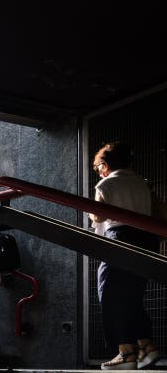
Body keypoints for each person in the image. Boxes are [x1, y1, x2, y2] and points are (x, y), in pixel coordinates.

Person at [88, 142, 160, 370]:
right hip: (148, 241)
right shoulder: (142, 184)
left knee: (109, 294)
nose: (98, 171)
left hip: (120, 238)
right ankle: (147, 347)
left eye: (98, 167)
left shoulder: (106, 183)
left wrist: (91, 211)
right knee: (132, 296)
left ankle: (126, 352)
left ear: (105, 164)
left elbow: (98, 218)